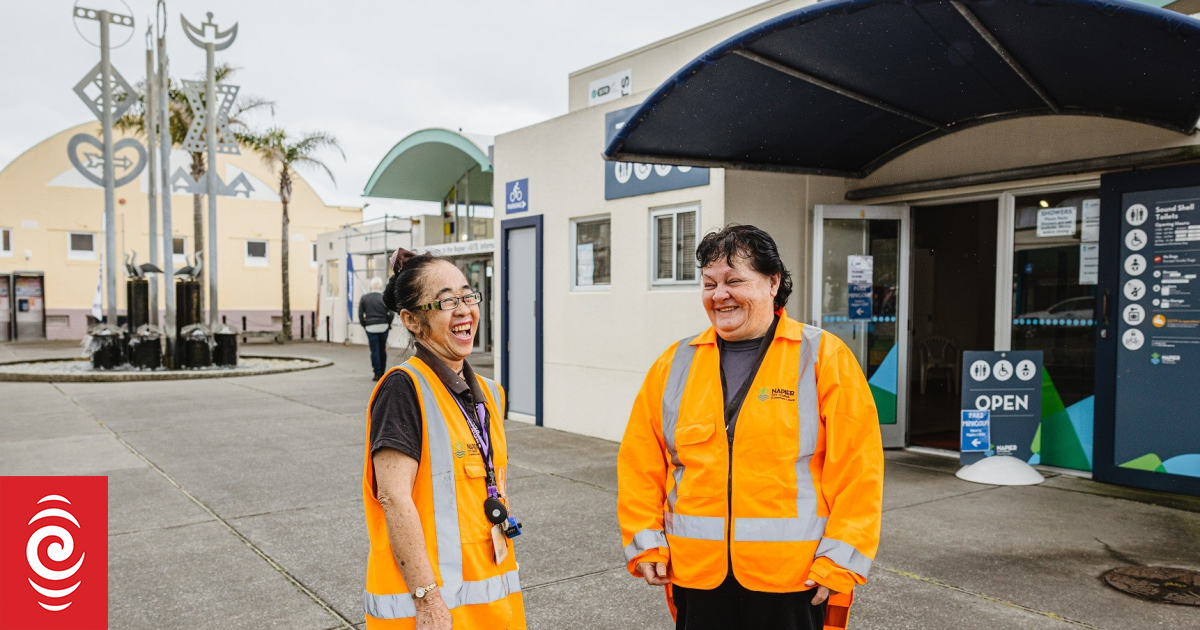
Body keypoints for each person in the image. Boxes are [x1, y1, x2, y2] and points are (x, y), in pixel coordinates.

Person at [617, 225, 884, 630]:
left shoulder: (823, 357)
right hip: (698, 577)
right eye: (709, 283)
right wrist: (646, 542)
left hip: (794, 579)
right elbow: (641, 462)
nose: (719, 295)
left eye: (734, 280)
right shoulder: (674, 363)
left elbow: (859, 471)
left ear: (773, 282)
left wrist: (839, 560)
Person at [362, 247, 525, 630]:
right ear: (412, 321)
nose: (465, 309)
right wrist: (427, 600)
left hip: (491, 604)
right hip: (431, 613)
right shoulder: (404, 389)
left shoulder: (489, 392)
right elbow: (394, 496)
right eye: (447, 301)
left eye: (468, 295)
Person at [360, 276, 396, 381]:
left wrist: (364, 324)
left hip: (370, 327)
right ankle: (383, 373)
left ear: (371, 286)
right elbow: (392, 313)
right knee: (382, 348)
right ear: (380, 286)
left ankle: (377, 372)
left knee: (374, 350)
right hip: (383, 326)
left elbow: (360, 314)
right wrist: (388, 323)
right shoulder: (384, 298)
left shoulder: (364, 298)